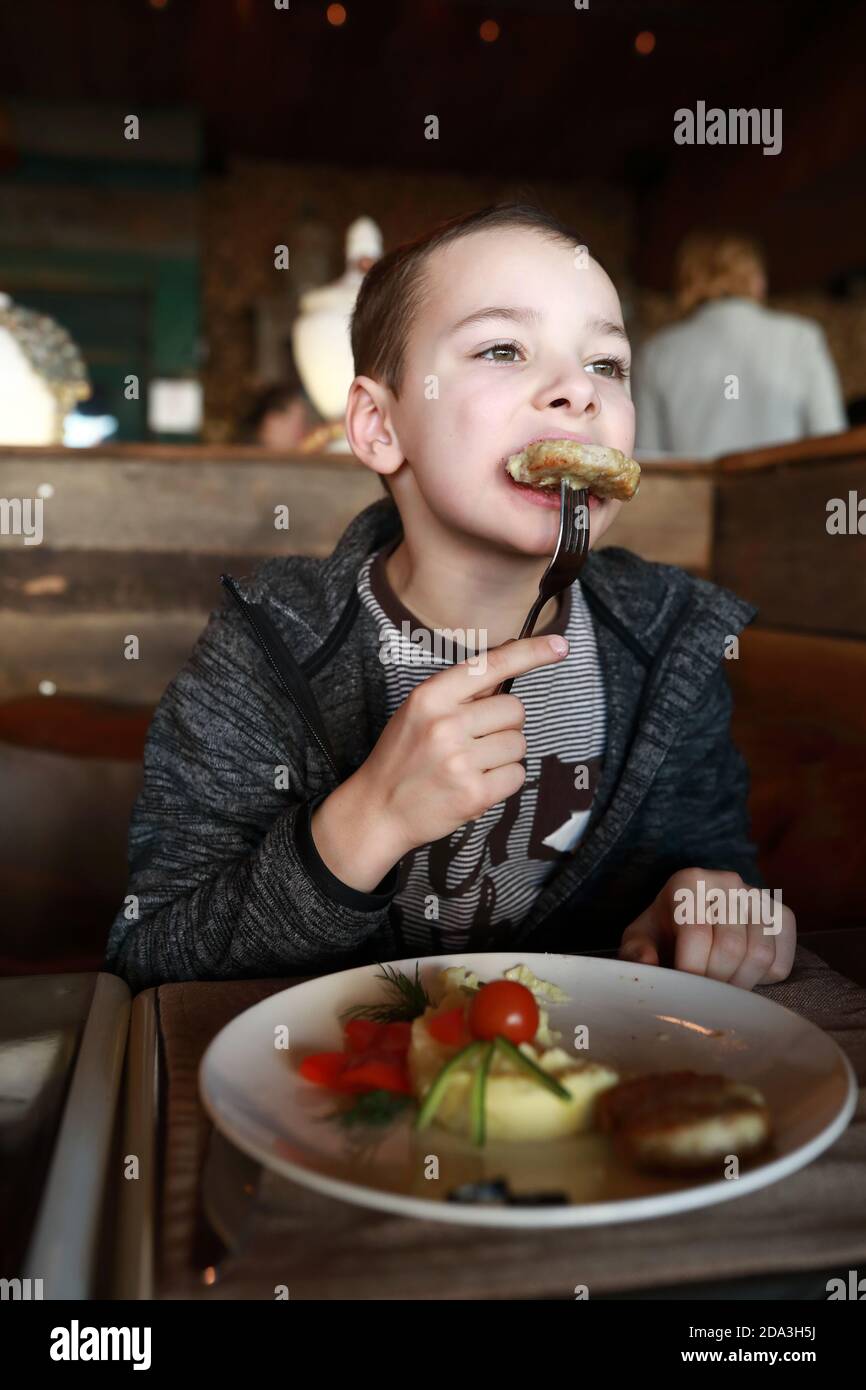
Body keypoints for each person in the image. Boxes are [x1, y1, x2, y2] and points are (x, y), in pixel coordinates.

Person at [105, 202, 795, 993]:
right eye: (504, 348)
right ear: (379, 426)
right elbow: (149, 953)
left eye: (607, 365)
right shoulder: (270, 646)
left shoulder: (672, 639)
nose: (579, 392)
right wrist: (366, 822)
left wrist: (713, 909)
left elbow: (724, 877)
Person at [633, 231, 847, 457]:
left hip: (693, 493)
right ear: (757, 279)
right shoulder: (802, 338)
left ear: (687, 282)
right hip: (786, 490)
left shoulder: (656, 353)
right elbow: (830, 442)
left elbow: (649, 459)